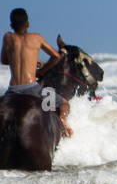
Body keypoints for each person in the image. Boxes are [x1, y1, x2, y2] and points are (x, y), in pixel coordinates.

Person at [1, 8, 72, 137]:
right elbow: (57, 56)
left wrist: (25, 60)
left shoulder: (7, 37)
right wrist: (41, 71)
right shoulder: (36, 38)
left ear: (11, 25)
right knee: (64, 103)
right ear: (27, 24)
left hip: (12, 90)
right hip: (32, 89)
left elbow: (5, 60)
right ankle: (63, 123)